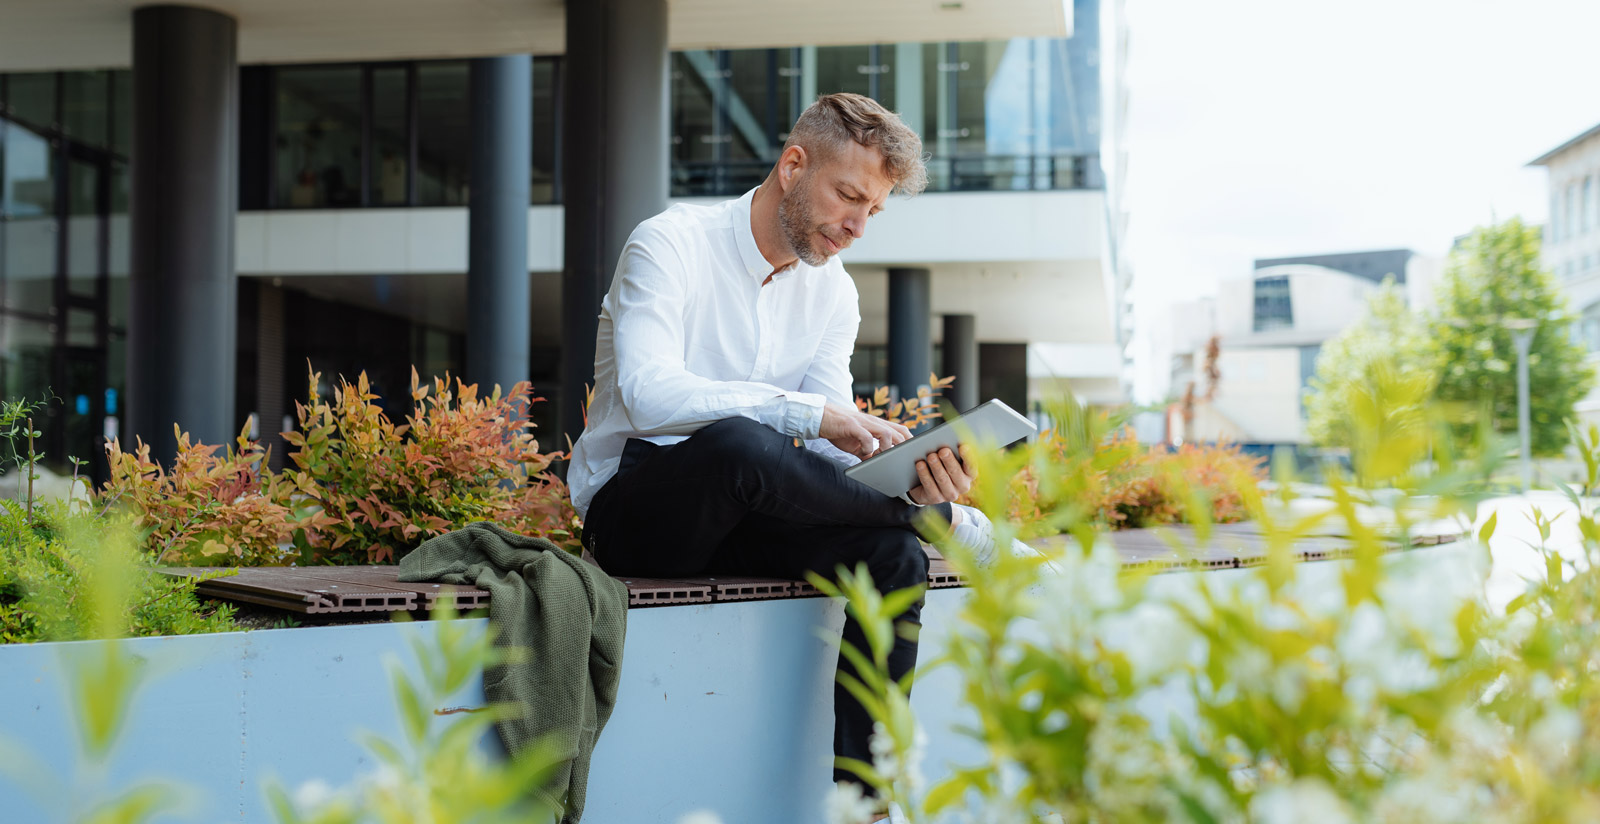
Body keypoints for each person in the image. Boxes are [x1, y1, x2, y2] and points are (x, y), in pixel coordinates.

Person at [568, 92, 1021, 820]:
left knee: (893, 559)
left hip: (754, 505)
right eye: (848, 196)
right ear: (793, 166)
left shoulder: (834, 295)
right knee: (743, 440)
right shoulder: (669, 242)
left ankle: (867, 807)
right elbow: (652, 396)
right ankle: (946, 525)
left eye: (873, 210)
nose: (856, 225)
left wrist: (898, 472)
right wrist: (809, 414)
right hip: (638, 509)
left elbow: (816, 452)